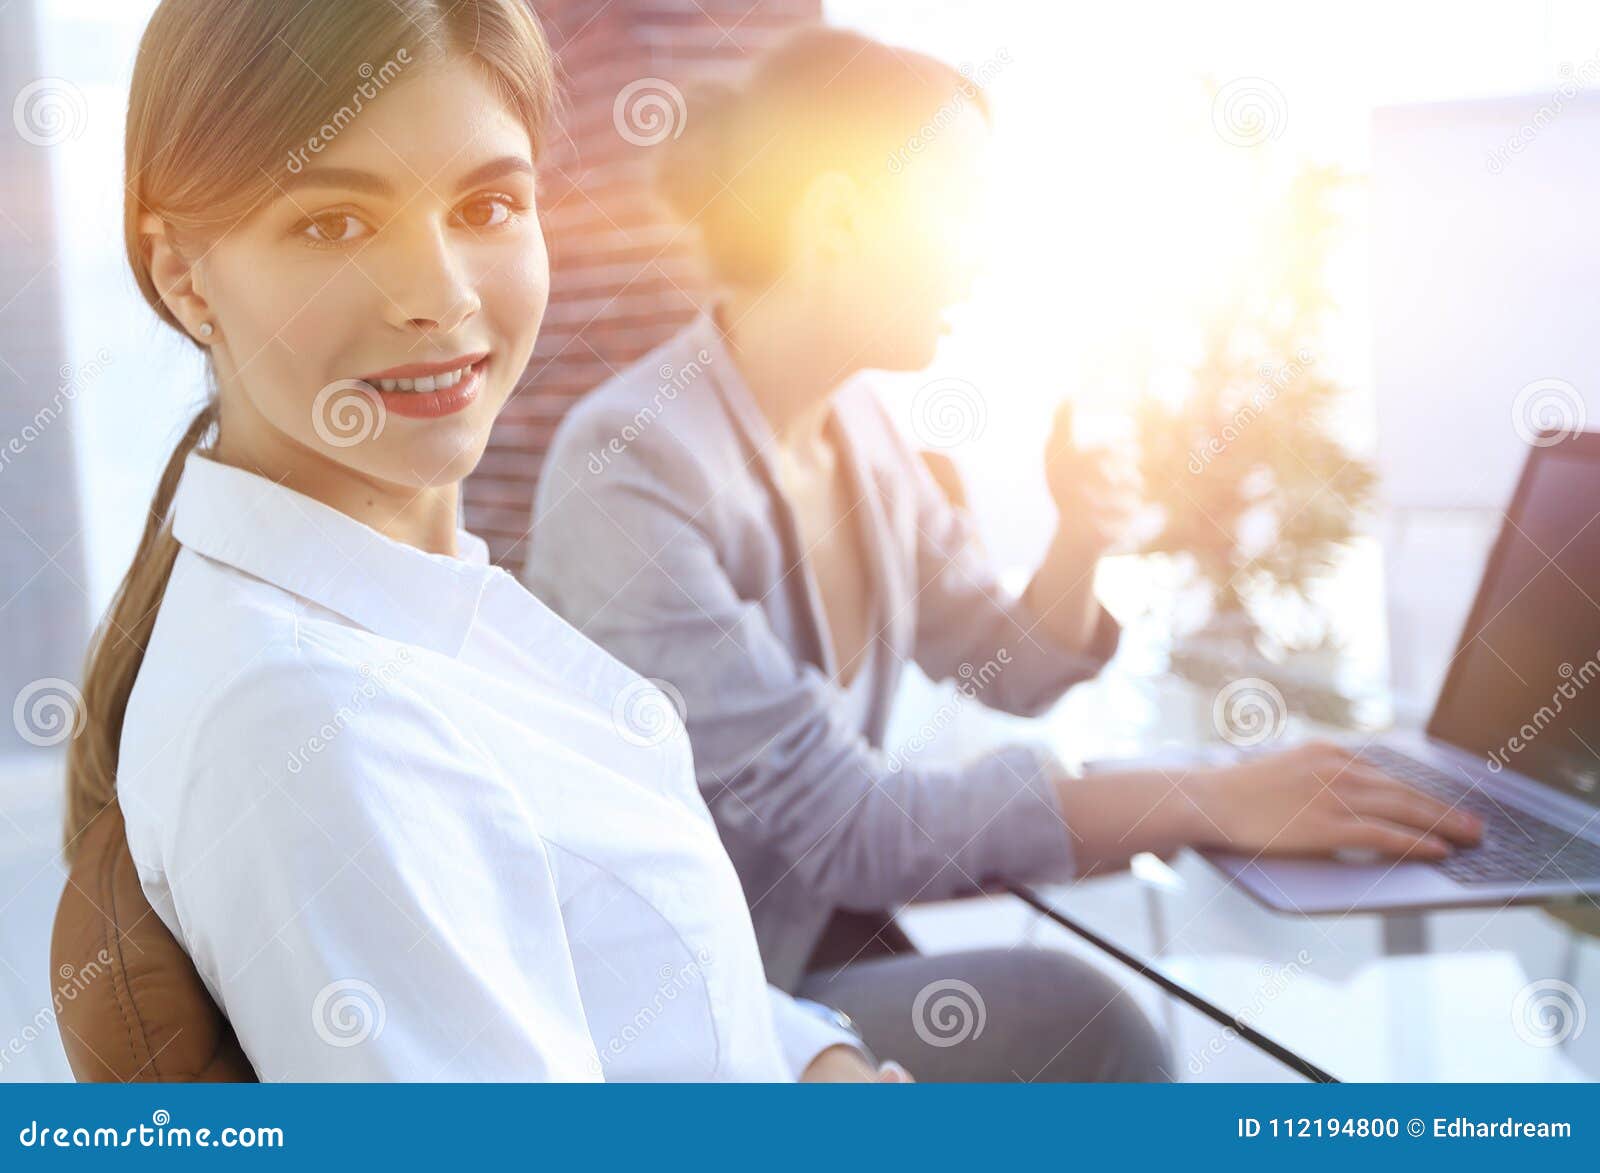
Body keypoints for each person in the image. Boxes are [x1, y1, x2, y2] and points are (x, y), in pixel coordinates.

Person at [524, 27, 1484, 1081]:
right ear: (839, 217)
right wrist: (1207, 791)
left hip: (814, 938)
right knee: (1084, 1027)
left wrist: (1078, 534)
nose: (985, 249)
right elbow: (842, 822)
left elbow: (1011, 666)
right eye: (960, 205)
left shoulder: (864, 432)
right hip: (683, 989)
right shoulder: (629, 467)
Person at [64, 0, 904, 1084]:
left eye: (489, 204)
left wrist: (809, 1061)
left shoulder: (411, 606)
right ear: (183, 274)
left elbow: (624, 986)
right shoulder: (310, 723)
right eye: (333, 224)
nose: (442, 295)